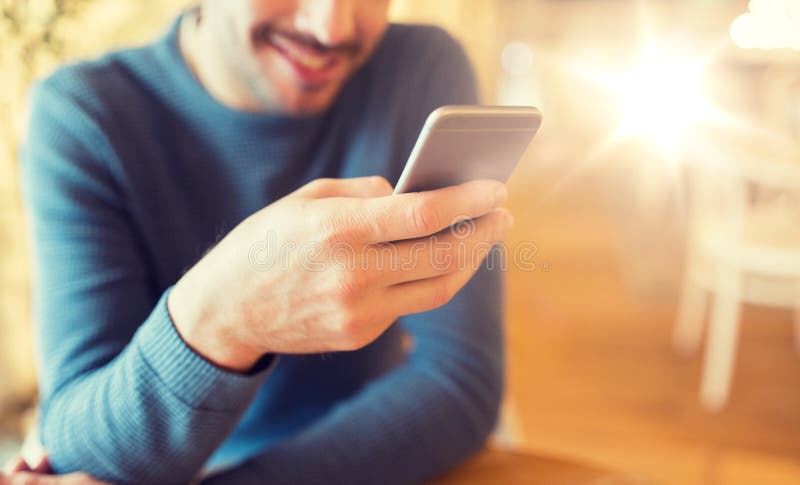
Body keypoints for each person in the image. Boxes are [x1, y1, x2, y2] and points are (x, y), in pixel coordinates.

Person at [14, 0, 511, 483]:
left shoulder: (420, 68)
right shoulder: (84, 117)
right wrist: (223, 319)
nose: (331, 28)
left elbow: (459, 379)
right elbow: (78, 453)